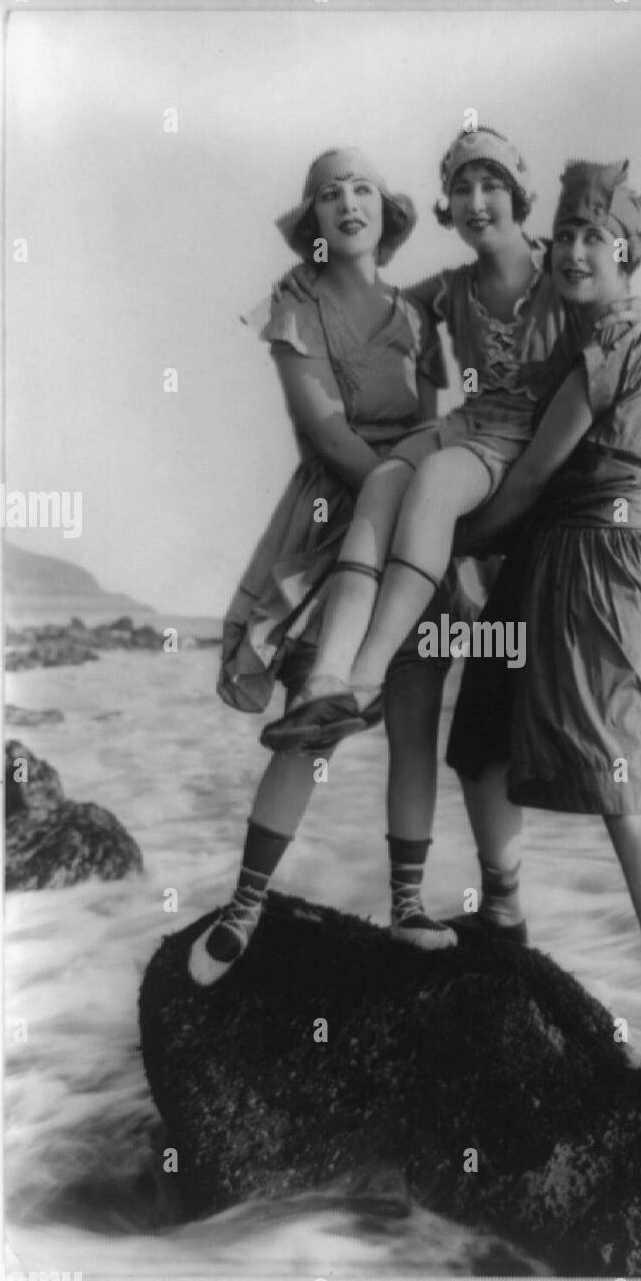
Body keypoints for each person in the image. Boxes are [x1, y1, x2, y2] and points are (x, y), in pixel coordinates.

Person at [260, 127, 641, 756]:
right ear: (446, 207)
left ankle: (366, 679)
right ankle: (328, 681)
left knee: (429, 485)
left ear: (518, 195)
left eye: (491, 186)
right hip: (465, 426)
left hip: (515, 442)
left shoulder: (556, 266)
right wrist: (307, 287)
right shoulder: (450, 288)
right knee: (381, 484)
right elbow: (372, 304)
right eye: (461, 189)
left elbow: (619, 309)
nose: (477, 201)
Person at [446, 159, 641, 1080]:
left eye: (591, 237)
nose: (568, 250)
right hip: (562, 562)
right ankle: (504, 913)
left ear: (625, 251)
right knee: (480, 736)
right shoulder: (626, 329)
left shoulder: (612, 346)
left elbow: (524, 480)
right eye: (560, 235)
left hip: (600, 574)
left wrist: (444, 545)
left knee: (622, 785)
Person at [190, 146, 465, 983]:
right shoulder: (294, 301)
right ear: (312, 222)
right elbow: (323, 428)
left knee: (414, 712)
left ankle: (408, 905)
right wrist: (391, 488)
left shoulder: (420, 317)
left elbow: (435, 425)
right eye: (329, 195)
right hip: (330, 519)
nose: (348, 203)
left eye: (363, 192)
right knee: (317, 719)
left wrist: (418, 502)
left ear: (386, 215)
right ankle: (244, 905)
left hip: (412, 515)